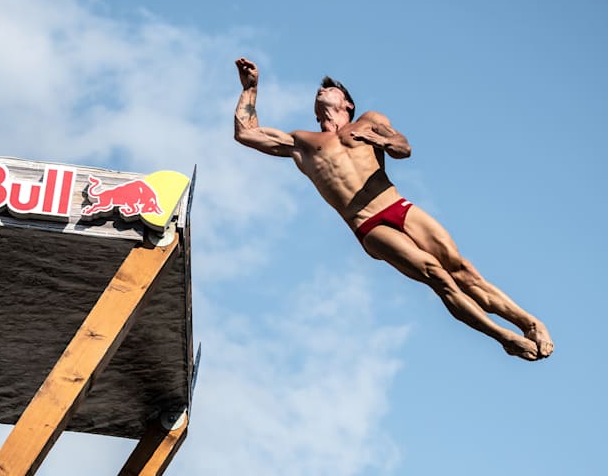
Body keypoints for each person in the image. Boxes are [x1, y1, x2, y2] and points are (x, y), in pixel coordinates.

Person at [232, 57, 553, 361]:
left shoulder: (370, 120)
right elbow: (246, 133)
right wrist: (250, 88)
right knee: (435, 274)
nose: (322, 89)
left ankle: (528, 322)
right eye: (320, 89)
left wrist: (375, 138)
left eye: (331, 87)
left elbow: (404, 148)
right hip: (369, 225)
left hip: (396, 204)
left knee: (462, 270)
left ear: (347, 103)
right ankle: (502, 337)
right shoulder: (303, 142)